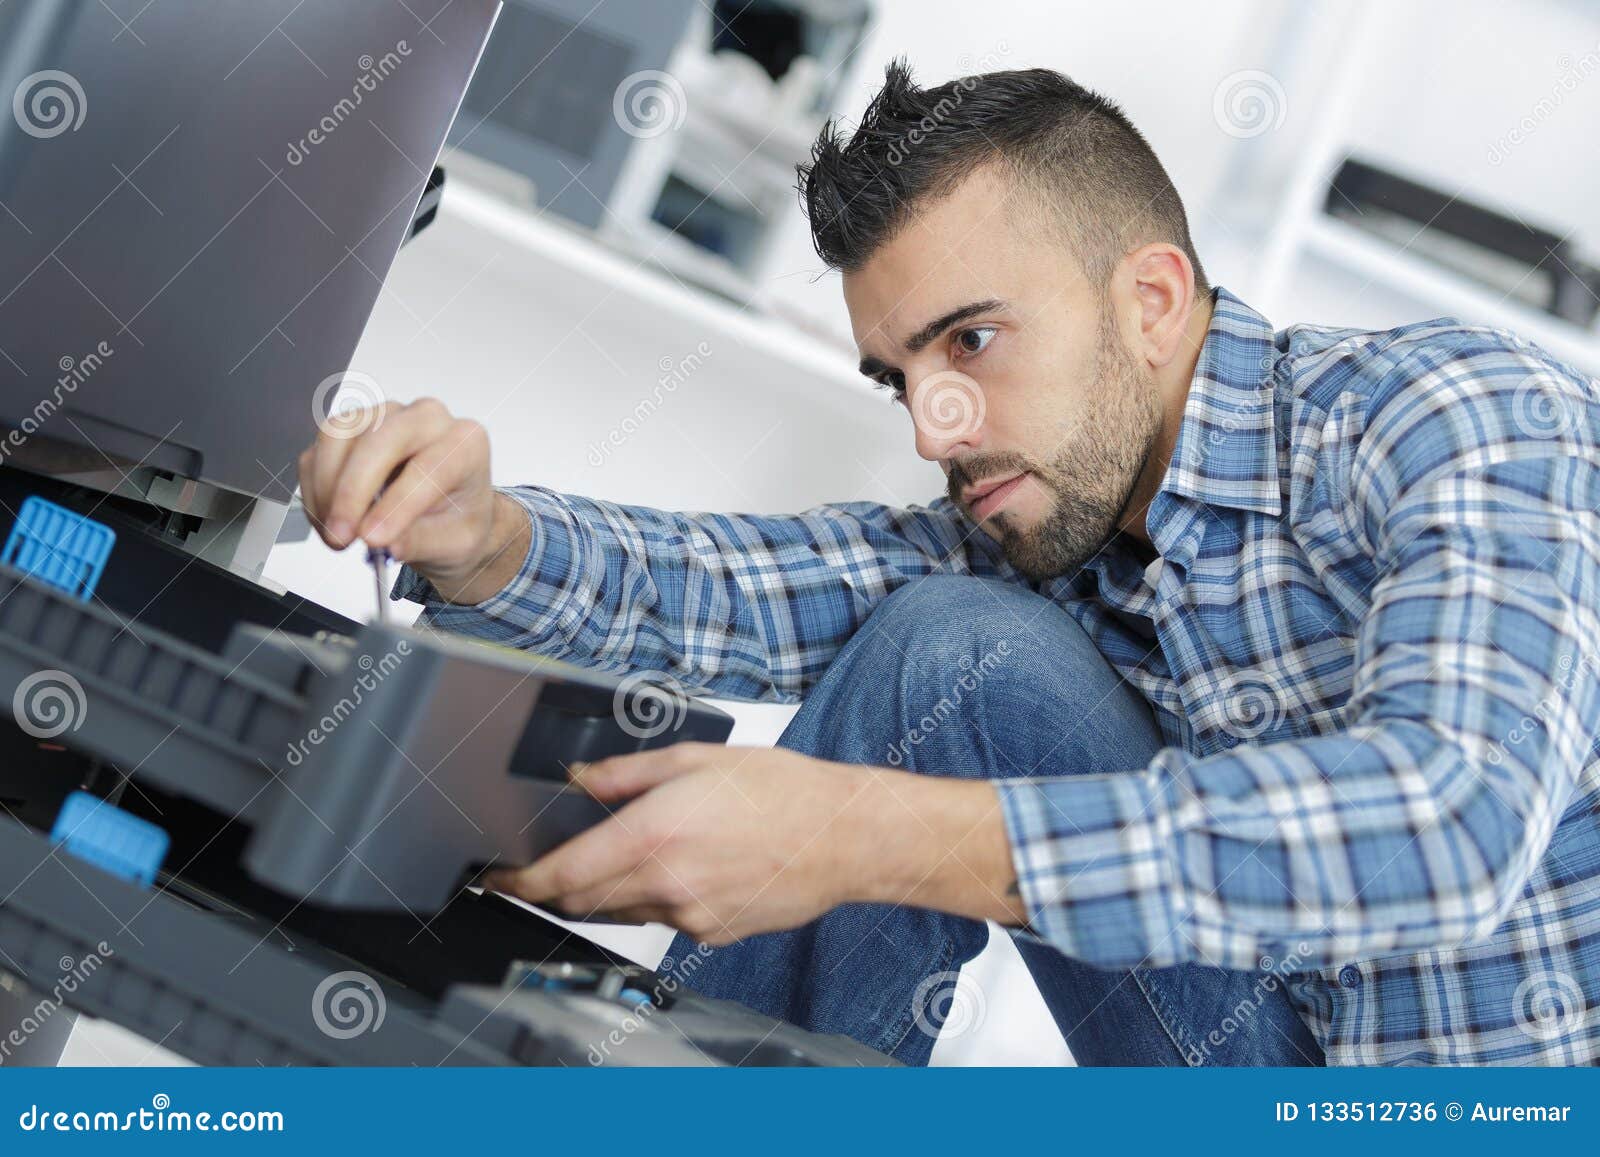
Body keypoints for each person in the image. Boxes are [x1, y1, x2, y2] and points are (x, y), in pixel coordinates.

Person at [297, 63, 1600, 1066]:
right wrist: (486, 537)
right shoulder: (1049, 522)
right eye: (900, 378)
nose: (934, 429)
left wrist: (856, 833)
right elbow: (751, 584)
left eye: (969, 341)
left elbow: (1452, 818)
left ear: (1150, 300)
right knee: (950, 644)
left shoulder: (1454, 417)